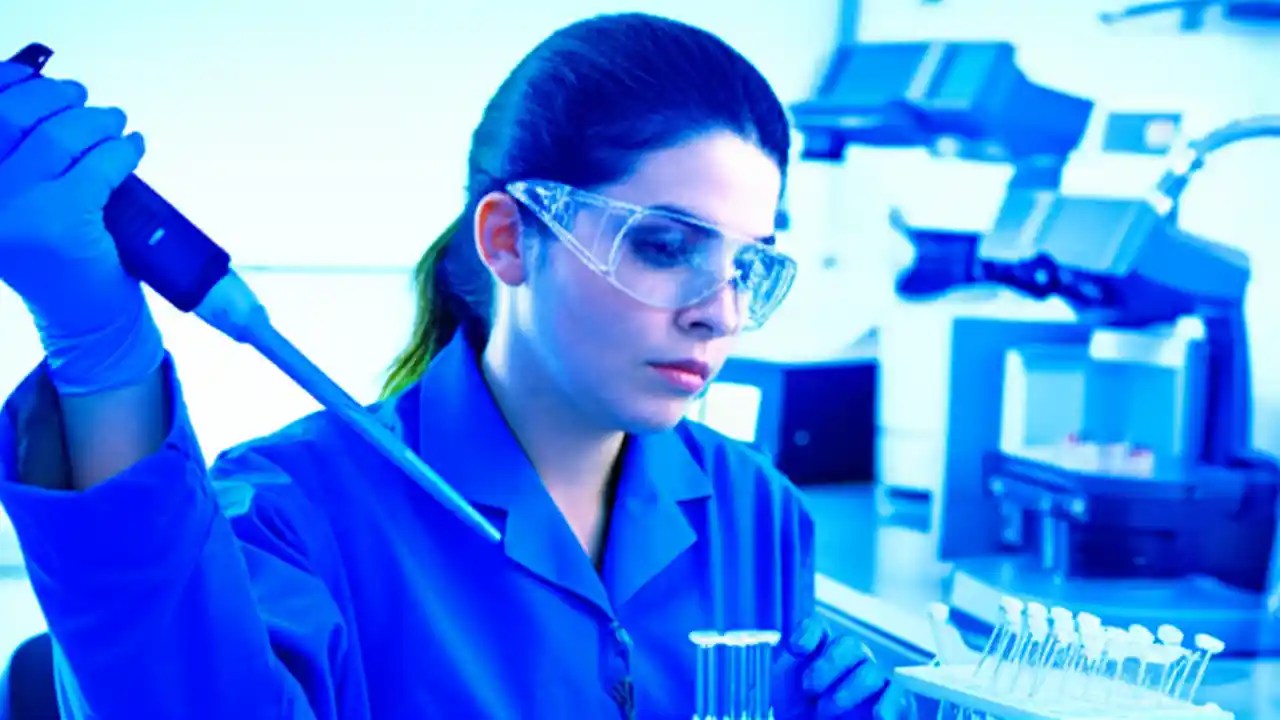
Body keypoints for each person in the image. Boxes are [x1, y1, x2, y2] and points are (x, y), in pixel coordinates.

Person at [0, 13, 911, 720]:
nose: (723, 310)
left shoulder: (755, 512)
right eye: (666, 245)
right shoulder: (297, 511)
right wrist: (101, 347)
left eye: (748, 262)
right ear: (511, 239)